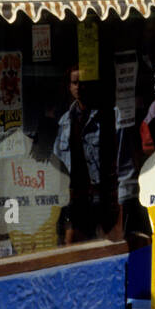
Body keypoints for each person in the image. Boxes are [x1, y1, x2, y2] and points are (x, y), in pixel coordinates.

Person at [53, 64, 112, 244]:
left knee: (101, 243)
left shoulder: (104, 117)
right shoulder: (65, 121)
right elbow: (58, 160)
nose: (78, 86)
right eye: (74, 83)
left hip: (98, 193)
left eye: (82, 82)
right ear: (69, 87)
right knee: (71, 244)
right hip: (74, 196)